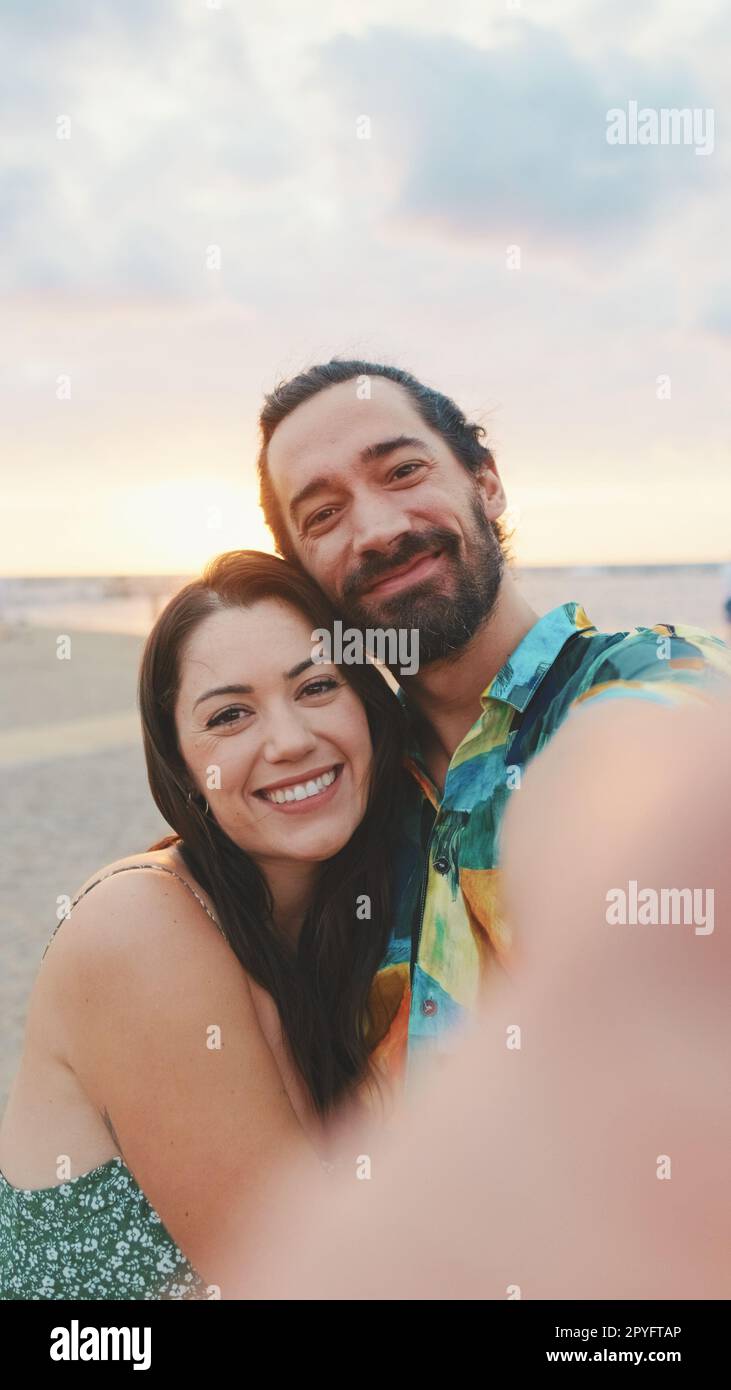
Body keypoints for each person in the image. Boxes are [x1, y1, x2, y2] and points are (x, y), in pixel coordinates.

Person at [256, 358, 731, 1094]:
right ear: (303, 574)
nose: (378, 530)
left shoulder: (651, 674)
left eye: (403, 471)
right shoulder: (347, 801)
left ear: (485, 482)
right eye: (323, 515)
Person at [0, 550, 406, 1300]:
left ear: (367, 707)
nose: (286, 740)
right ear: (185, 768)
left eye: (316, 686)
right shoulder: (141, 927)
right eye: (229, 715)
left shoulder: (349, 933)